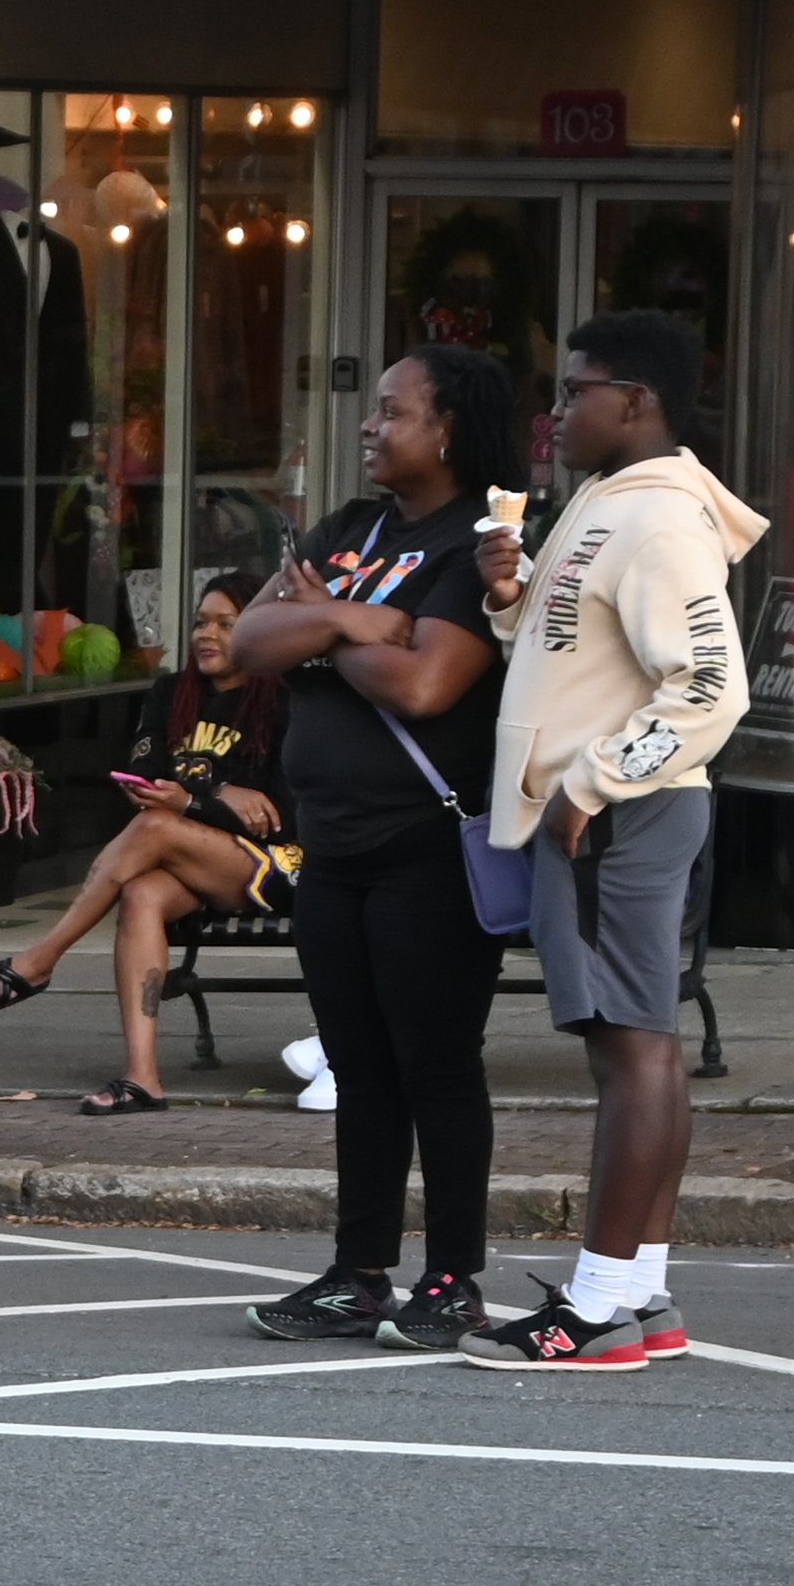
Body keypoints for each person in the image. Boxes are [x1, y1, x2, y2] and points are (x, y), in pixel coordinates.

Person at [462, 311, 761, 1368]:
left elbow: (713, 686)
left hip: (616, 817)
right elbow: (574, 648)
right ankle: (638, 1290)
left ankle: (593, 1307)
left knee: (629, 1052)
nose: (553, 413)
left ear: (633, 402)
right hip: (618, 811)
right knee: (641, 1050)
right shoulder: (608, 503)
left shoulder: (658, 521)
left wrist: (592, 784)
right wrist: (510, 594)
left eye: (572, 390)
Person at [228, 342, 527, 1351]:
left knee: (434, 1065)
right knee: (359, 1066)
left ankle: (451, 1278)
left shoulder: (472, 543)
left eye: (393, 410)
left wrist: (313, 621)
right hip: (332, 847)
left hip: (423, 849)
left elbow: (426, 686)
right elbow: (245, 645)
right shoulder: (353, 529)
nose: (370, 423)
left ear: (444, 429)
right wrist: (357, 617)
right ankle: (358, 1272)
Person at [0, 575, 295, 1112]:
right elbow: (142, 778)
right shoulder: (170, 693)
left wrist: (188, 803)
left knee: (156, 829)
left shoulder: (285, 701)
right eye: (201, 622)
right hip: (190, 861)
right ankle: (142, 1079)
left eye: (226, 625)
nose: (207, 635)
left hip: (276, 866)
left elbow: (278, 813)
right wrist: (217, 793)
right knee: (140, 894)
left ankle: (41, 958)